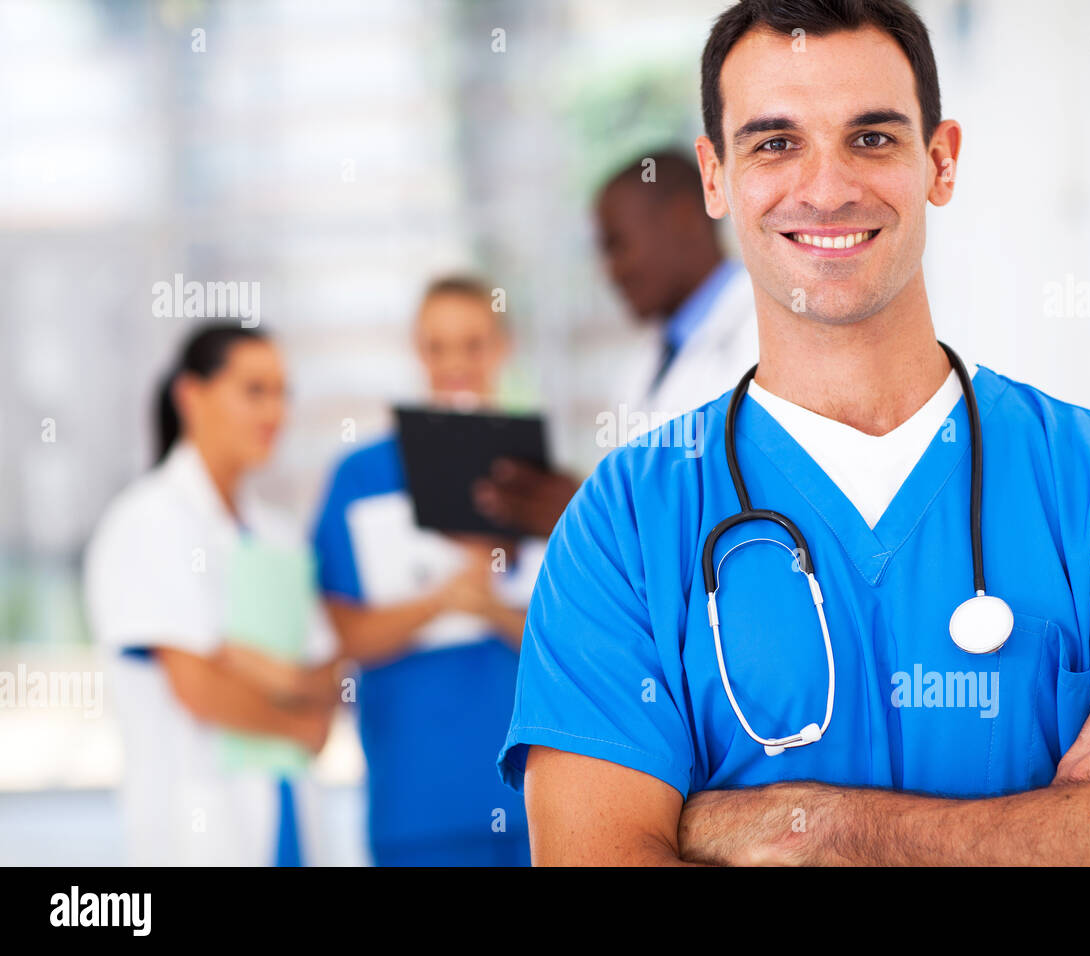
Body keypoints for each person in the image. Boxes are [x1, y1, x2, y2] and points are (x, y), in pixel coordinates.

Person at [499, 0, 1090, 865]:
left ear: (940, 162)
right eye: (775, 143)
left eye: (871, 138)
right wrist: (1061, 825)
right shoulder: (621, 526)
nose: (828, 186)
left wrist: (823, 831)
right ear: (715, 177)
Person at [84, 323, 339, 866]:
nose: (276, 413)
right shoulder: (147, 521)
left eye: (282, 393)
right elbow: (198, 688)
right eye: (254, 391)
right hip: (199, 834)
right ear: (190, 396)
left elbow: (327, 676)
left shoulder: (277, 532)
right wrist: (297, 719)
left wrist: (263, 669)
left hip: (289, 819)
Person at [312, 275, 537, 866]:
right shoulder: (360, 479)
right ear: (418, 352)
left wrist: (488, 607)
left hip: (536, 803)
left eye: (473, 344)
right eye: (437, 346)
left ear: (502, 348)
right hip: (416, 805)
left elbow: (577, 640)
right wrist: (443, 600)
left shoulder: (542, 485)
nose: (455, 363)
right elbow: (345, 635)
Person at [471, 150, 760, 538]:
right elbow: (642, 504)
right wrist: (579, 505)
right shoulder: (644, 362)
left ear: (684, 219)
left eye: (616, 245)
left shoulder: (764, 338)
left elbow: (736, 515)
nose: (609, 272)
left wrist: (587, 521)